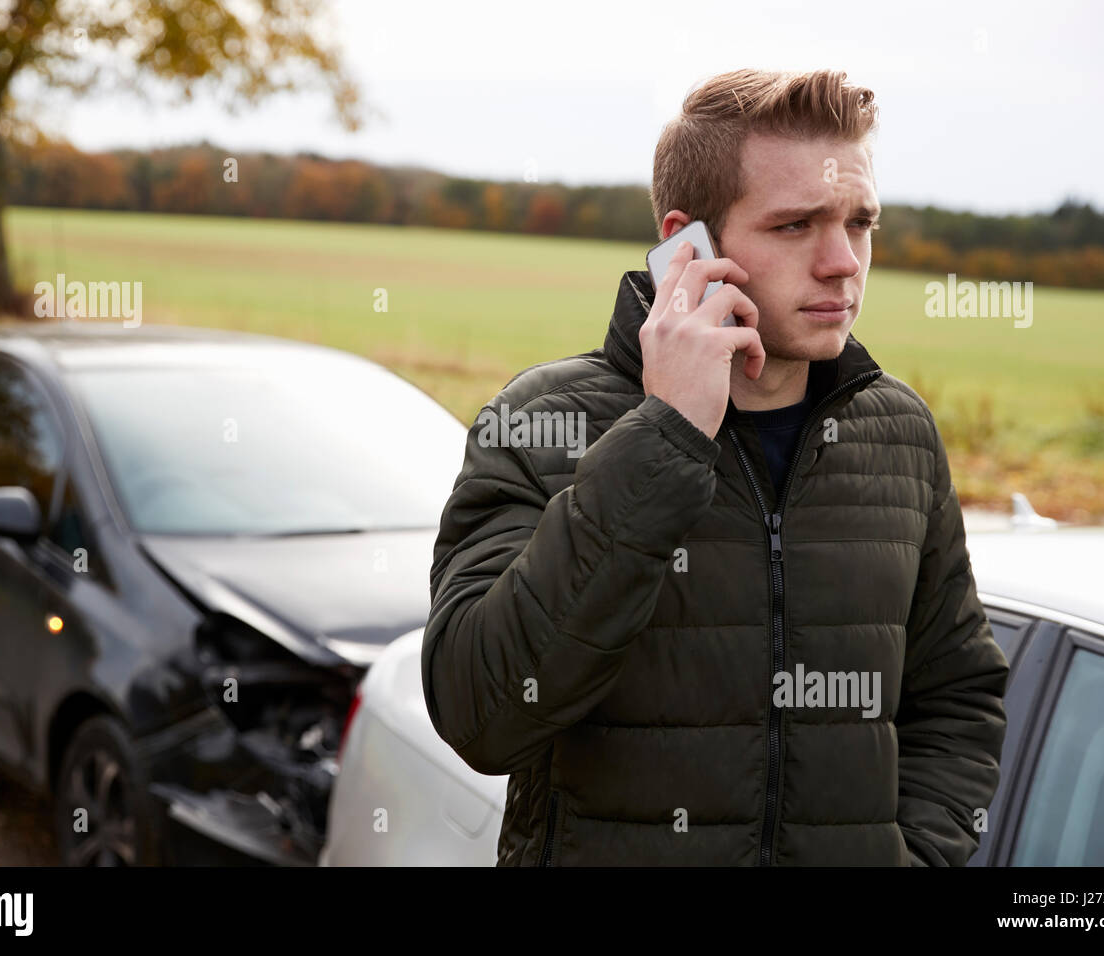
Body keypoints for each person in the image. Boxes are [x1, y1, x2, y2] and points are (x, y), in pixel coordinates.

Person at [421, 67, 1008, 866]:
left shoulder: (898, 433)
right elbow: (482, 716)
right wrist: (665, 436)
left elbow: (958, 697)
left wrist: (914, 856)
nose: (843, 262)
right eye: (796, 225)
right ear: (686, 244)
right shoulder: (540, 422)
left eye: (860, 222)